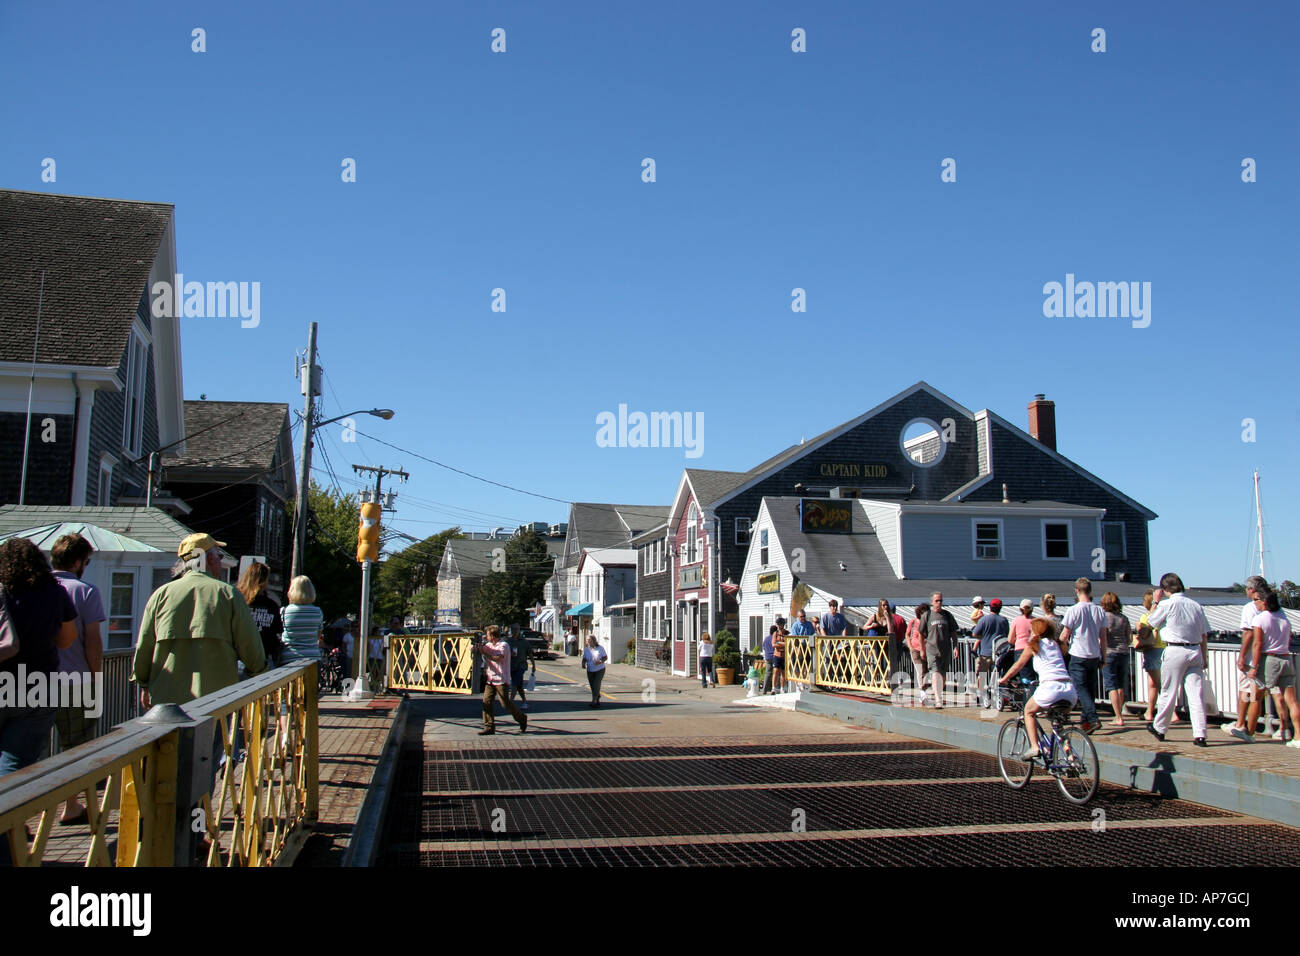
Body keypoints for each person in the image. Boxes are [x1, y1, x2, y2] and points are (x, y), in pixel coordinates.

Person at [133, 534, 267, 708]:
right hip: (217, 702)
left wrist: (144, 684)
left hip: (166, 704)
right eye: (219, 556)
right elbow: (251, 649)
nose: (220, 561)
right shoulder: (227, 594)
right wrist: (261, 675)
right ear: (210, 558)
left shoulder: (160, 595)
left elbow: (144, 647)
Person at [49, 533, 106, 824]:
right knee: (76, 746)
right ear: (76, 562)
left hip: (31, 680)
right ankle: (70, 805)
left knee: (30, 746)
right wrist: (97, 680)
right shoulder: (85, 591)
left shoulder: (34, 588)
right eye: (86, 561)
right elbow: (93, 642)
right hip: (76, 681)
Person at [1145, 572, 1209, 747]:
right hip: (1195, 649)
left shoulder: (1168, 604)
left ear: (1165, 589)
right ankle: (1200, 734)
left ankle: (1160, 727)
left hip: (1175, 649)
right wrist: (1205, 656)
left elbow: (1150, 622)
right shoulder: (1196, 605)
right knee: (1196, 694)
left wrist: (1155, 602)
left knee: (1168, 690)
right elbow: (1204, 634)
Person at [1000, 618, 1077, 758]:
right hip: (1069, 690)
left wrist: (1004, 679)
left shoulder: (1033, 645)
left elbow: (1018, 665)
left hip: (1050, 688)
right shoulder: (1057, 644)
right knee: (1058, 726)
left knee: (1028, 711)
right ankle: (1071, 757)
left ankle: (1035, 747)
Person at [1247, 584, 1299, 748]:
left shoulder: (1260, 618)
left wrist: (1254, 666)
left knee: (1256, 697)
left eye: (1256, 600)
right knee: (1291, 700)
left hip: (1269, 660)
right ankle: (1297, 735)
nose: (1254, 603)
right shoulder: (1283, 618)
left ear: (1263, 601)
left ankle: (1249, 732)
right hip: (1285, 658)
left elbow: (1257, 644)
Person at [1058, 577, 1109, 734]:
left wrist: (1059, 645)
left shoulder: (1074, 610)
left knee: (1081, 688)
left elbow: (1065, 634)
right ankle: (1085, 722)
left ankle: (1093, 718)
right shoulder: (1099, 610)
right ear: (1090, 590)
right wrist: (1104, 656)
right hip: (1094, 654)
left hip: (1078, 653)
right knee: (1090, 688)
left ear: (1077, 591)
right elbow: (1103, 637)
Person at [1225, 576, 1267, 742]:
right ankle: (1283, 728)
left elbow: (1248, 633)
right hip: (1271, 656)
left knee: (1248, 693)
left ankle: (1243, 725)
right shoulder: (1274, 608)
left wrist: (1242, 655)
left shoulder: (1251, 608)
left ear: (1251, 590)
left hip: (1253, 659)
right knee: (1275, 695)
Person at [476, 625, 527, 733]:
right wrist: (476, 648)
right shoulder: (488, 645)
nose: (486, 637)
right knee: (486, 702)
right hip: (490, 679)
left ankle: (521, 718)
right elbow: (480, 649)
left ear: (493, 636)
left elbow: (498, 659)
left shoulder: (504, 646)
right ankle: (489, 726)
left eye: (488, 635)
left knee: (505, 703)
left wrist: (484, 652)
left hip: (501, 679)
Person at [238, 561, 284, 668]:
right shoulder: (271, 605)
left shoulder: (238, 601)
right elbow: (278, 630)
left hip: (241, 659)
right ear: (264, 581)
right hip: (263, 659)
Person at [917, 592, 958, 708]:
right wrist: (922, 649)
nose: (939, 603)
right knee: (935, 672)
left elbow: (953, 632)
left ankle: (938, 693)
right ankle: (938, 699)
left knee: (943, 674)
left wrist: (956, 646)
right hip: (932, 649)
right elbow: (920, 633)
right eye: (936, 601)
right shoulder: (927, 615)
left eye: (940, 600)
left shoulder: (947, 615)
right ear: (932, 602)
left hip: (945, 649)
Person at [1100, 592, 1132, 727]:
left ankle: (1118, 716)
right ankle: (1121, 713)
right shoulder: (1124, 618)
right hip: (1124, 652)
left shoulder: (1104, 618)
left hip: (1110, 653)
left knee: (1111, 685)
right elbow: (1129, 637)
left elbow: (1102, 637)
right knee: (1120, 685)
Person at [971, 598, 1009, 703]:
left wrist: (982, 637)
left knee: (982, 674)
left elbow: (974, 633)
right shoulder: (1004, 620)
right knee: (998, 675)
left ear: (990, 607)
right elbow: (1007, 635)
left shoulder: (984, 620)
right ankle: (998, 695)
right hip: (1000, 653)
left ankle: (980, 694)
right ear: (1000, 608)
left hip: (985, 652)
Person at [281, 576, 324, 663]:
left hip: (290, 657)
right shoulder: (317, 612)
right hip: (312, 657)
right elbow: (318, 635)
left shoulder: (284, 611)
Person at [1136, 588, 1163, 722]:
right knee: (1163, 682)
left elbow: (1144, 631)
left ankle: (1150, 711)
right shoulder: (1165, 616)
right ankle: (1161, 711)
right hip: (1165, 648)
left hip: (1152, 649)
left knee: (1154, 683)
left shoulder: (1146, 617)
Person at [506, 624, 535, 707]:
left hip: (521, 666)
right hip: (511, 666)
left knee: (515, 683)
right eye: (513, 629)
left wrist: (533, 665)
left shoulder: (524, 641)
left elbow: (530, 653)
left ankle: (510, 702)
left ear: (519, 630)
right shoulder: (508, 641)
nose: (515, 631)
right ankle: (524, 702)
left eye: (516, 629)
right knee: (519, 685)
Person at [906, 605, 928, 702]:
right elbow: (907, 634)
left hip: (927, 649)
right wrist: (910, 646)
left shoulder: (928, 623)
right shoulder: (913, 622)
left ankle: (924, 690)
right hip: (915, 649)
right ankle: (923, 693)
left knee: (926, 671)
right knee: (920, 671)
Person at [581, 633, 608, 708]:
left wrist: (600, 661)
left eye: (589, 640)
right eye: (587, 640)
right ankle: (597, 697)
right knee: (592, 686)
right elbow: (585, 658)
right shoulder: (587, 649)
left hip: (599, 669)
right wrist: (583, 663)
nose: (588, 641)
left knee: (596, 684)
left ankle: (594, 701)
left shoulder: (600, 648)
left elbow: (605, 657)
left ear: (594, 640)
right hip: (590, 669)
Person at [771, 624, 788, 694]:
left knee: (783, 673)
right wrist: (782, 644)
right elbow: (773, 644)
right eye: (778, 624)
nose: (780, 626)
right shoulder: (775, 633)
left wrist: (779, 643)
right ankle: (773, 688)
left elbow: (788, 643)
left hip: (784, 655)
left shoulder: (787, 633)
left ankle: (782, 688)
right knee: (776, 671)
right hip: (777, 655)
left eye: (781, 624)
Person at [762, 624, 777, 694]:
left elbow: (764, 648)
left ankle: (764, 689)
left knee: (767, 673)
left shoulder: (766, 639)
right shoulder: (775, 638)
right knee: (776, 673)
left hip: (767, 657)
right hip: (775, 656)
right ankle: (775, 688)